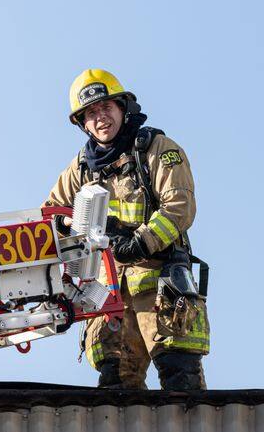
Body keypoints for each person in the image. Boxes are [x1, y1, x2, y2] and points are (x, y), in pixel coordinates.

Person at [46, 69, 209, 390]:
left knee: (181, 381)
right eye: (90, 113)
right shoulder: (80, 168)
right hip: (108, 299)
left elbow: (179, 206)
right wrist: (76, 225)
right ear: (82, 124)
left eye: (106, 107)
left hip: (162, 290)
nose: (100, 118)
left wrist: (138, 242)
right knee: (114, 390)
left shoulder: (157, 149)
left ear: (123, 107)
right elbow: (51, 215)